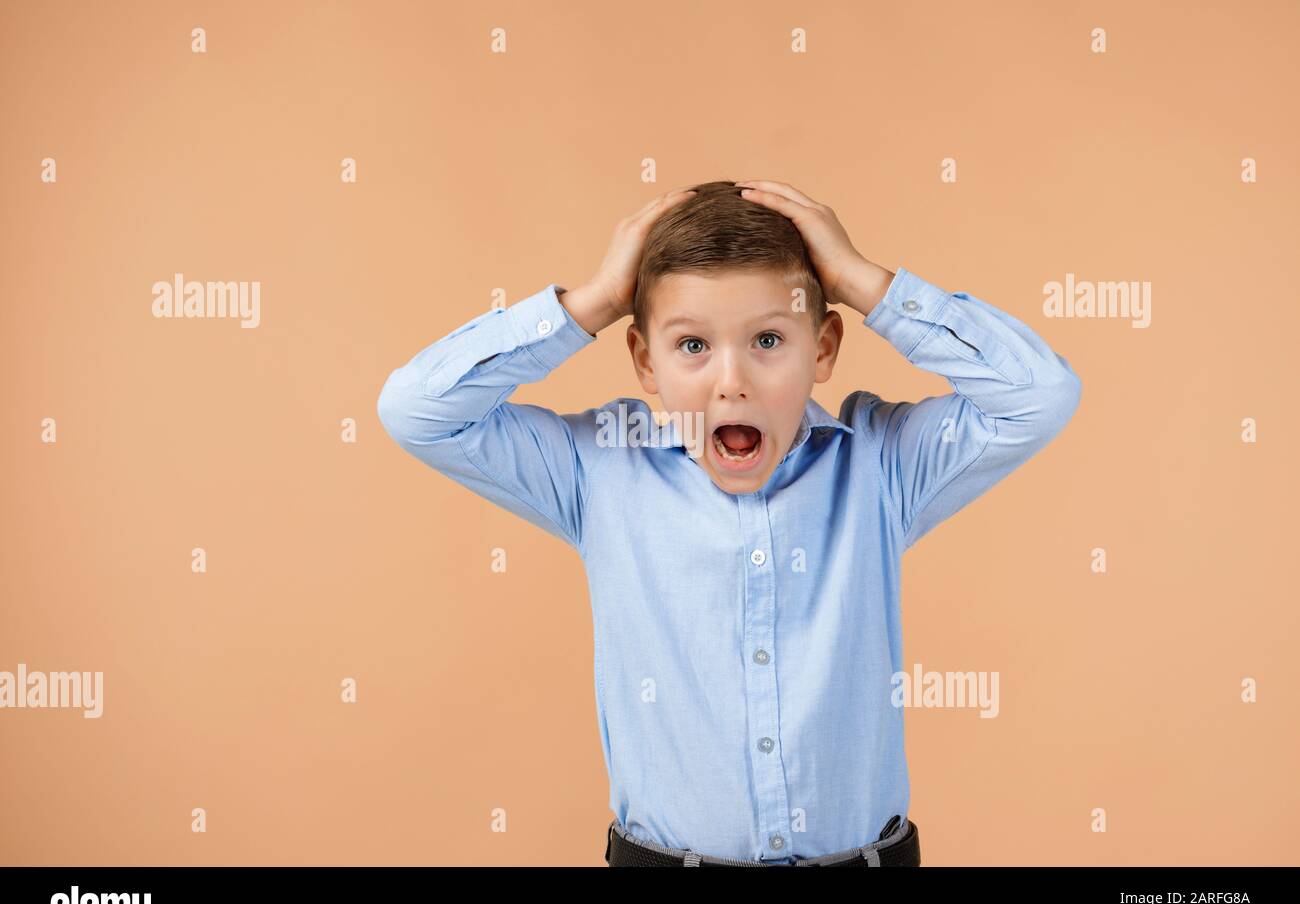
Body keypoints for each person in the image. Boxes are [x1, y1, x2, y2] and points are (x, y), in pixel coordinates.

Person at [377, 180, 1082, 866]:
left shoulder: (882, 467)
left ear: (825, 348)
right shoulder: (597, 471)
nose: (731, 380)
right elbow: (417, 410)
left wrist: (867, 283)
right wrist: (591, 304)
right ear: (643, 361)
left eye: (769, 340)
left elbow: (1039, 395)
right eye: (691, 346)